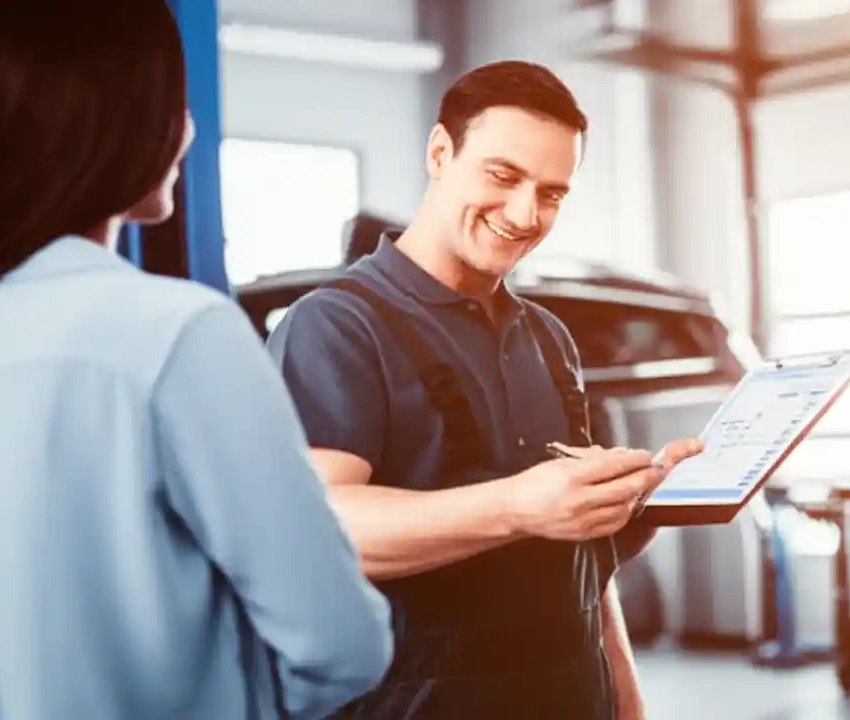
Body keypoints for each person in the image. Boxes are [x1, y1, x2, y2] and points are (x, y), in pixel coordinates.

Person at [0, 1, 391, 718]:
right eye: (175, 101)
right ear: (122, 121)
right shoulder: (178, 335)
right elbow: (343, 645)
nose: (188, 130)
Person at [267, 60, 703, 719]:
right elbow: (316, 530)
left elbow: (579, 567)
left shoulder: (548, 338)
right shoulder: (337, 324)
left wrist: (629, 509)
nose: (526, 213)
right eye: (504, 176)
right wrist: (520, 506)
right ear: (440, 152)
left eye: (553, 193)